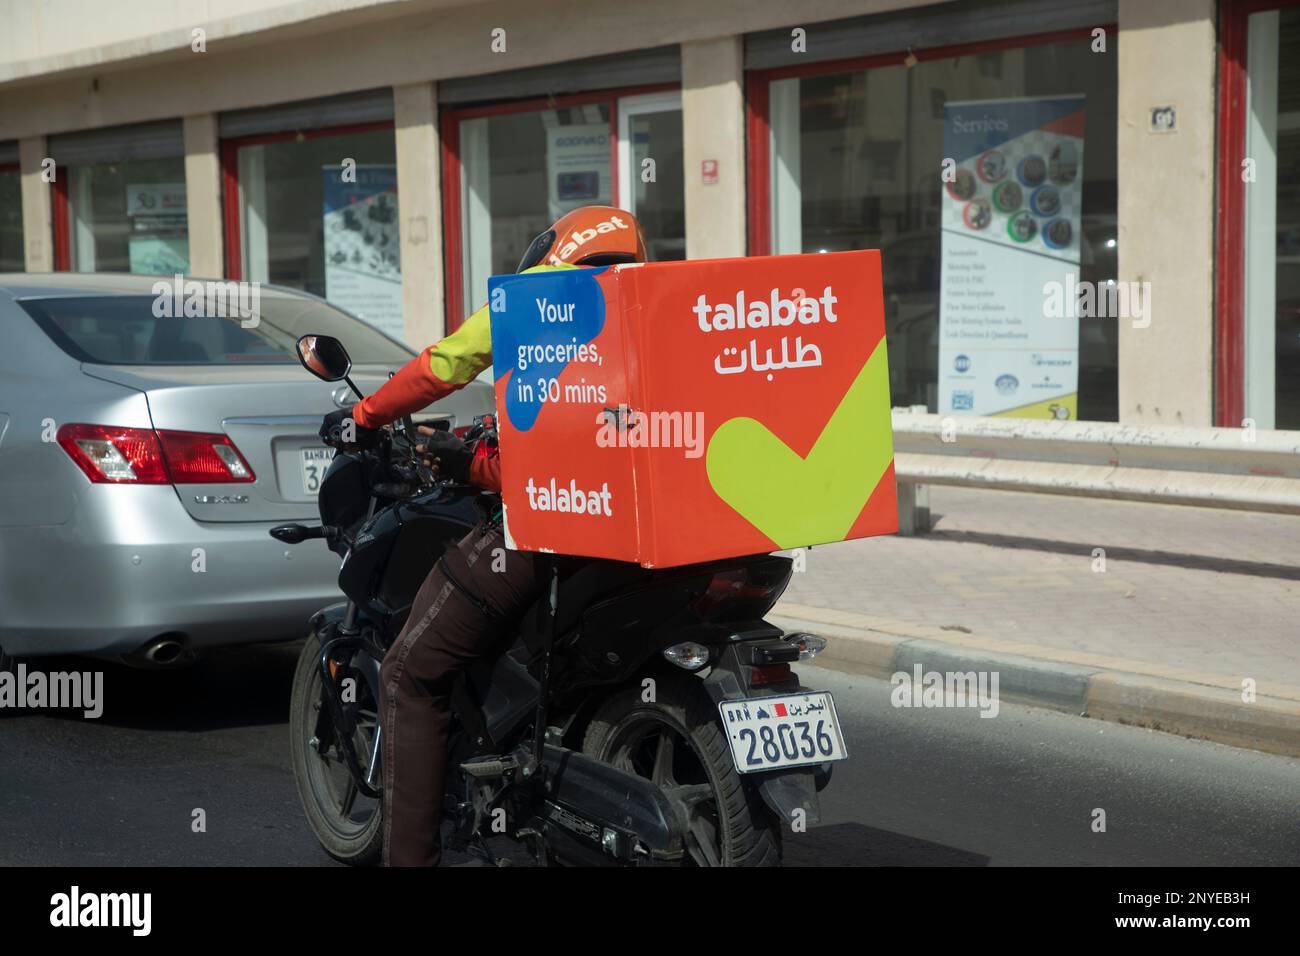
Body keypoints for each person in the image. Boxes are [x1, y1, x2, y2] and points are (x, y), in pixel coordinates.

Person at [319, 205, 648, 866]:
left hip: (560, 530)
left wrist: (364, 413)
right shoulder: (664, 310)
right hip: (659, 543)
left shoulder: (537, 305)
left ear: (555, 252)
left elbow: (443, 366)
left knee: (412, 672)